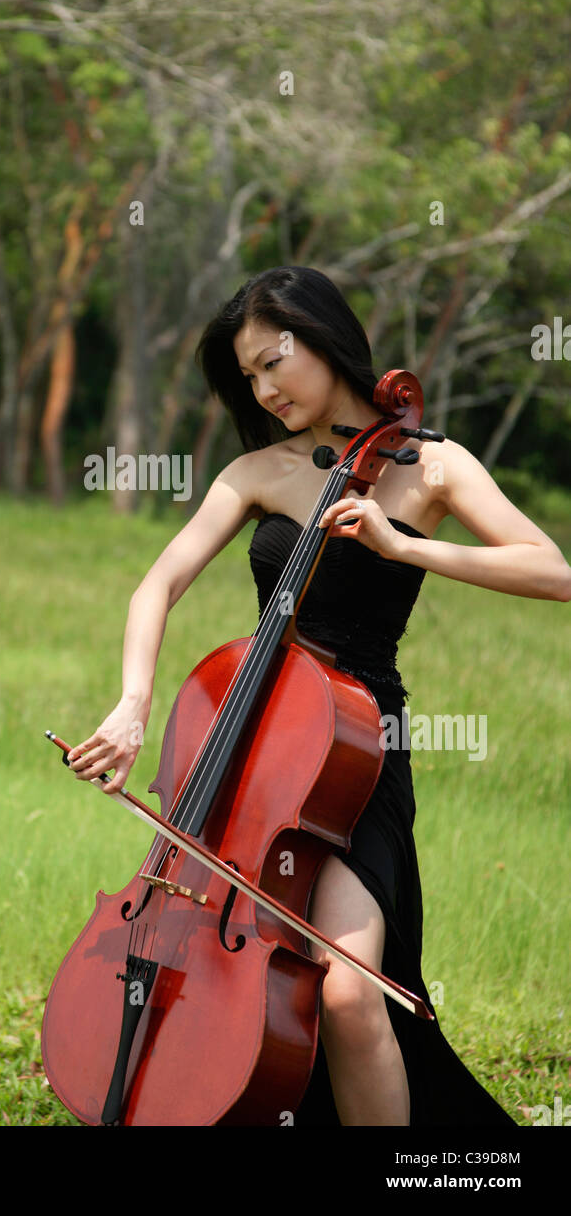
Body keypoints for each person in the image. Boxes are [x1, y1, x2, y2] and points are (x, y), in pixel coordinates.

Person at [66, 265, 571, 1126]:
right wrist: (133, 702)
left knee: (344, 993)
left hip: (353, 752)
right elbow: (155, 587)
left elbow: (552, 571)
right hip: (251, 747)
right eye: (249, 376)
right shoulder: (257, 471)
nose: (263, 388)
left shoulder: (434, 466)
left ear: (325, 337)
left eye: (274, 361)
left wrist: (404, 546)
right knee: (245, 980)